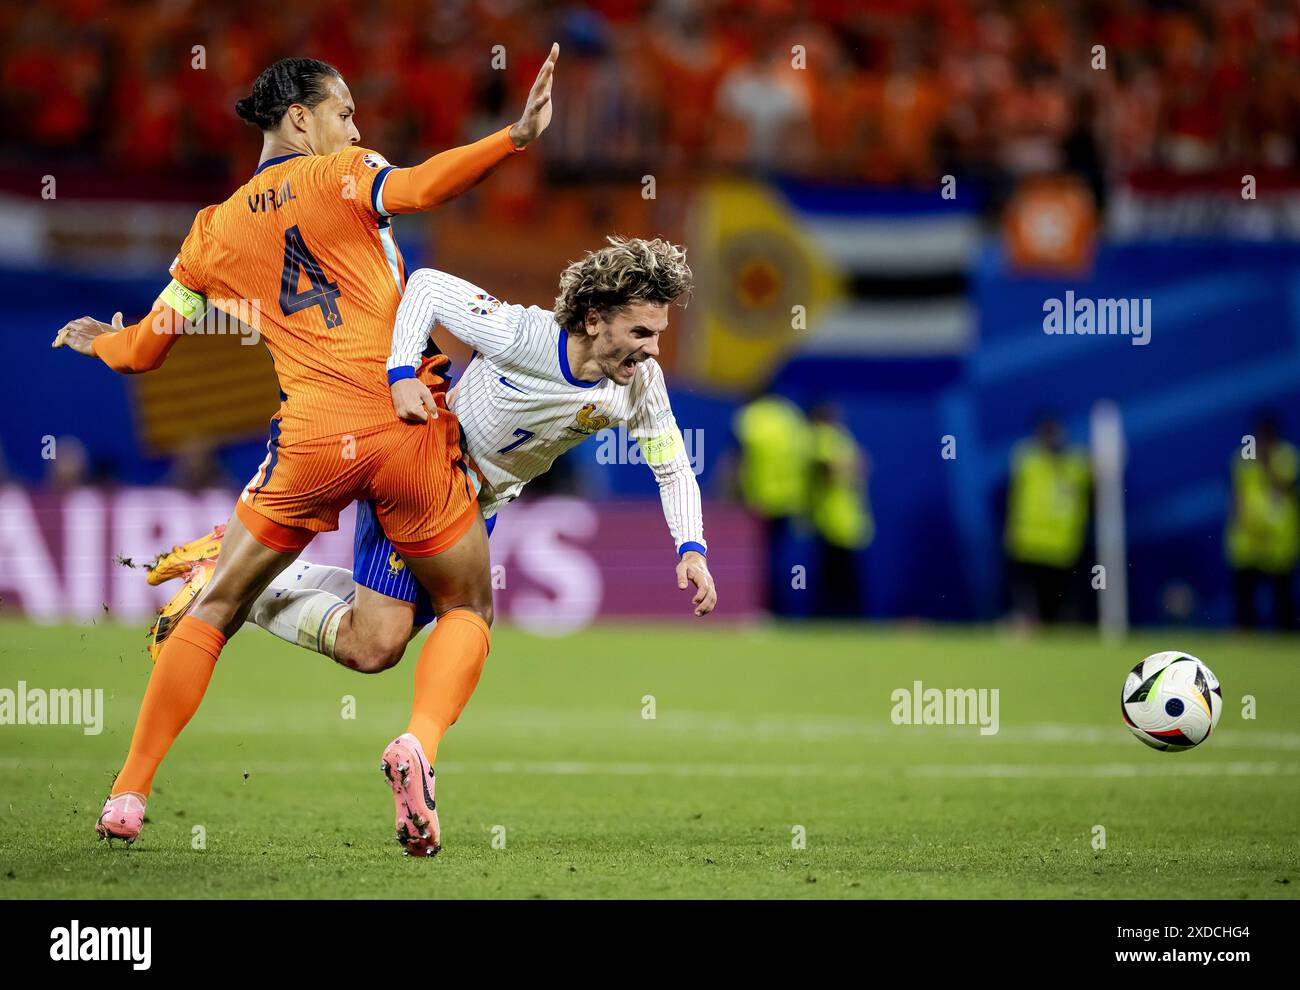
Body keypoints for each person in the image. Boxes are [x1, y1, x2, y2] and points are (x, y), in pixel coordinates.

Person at [51, 49, 560, 855]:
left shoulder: (209, 233)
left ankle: (127, 794)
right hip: (406, 422)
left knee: (325, 631)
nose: (356, 127)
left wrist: (101, 341)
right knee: (465, 607)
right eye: (346, 111)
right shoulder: (346, 173)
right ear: (301, 119)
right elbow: (425, 187)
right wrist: (515, 137)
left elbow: (146, 352)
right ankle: (419, 743)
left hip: (313, 438)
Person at [148, 237, 717, 683]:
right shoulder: (523, 334)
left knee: (381, 633)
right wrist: (399, 374)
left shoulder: (642, 384)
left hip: (479, 502)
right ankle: (234, 585)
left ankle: (230, 574)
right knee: (391, 641)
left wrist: (692, 550)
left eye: (660, 334)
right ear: (594, 319)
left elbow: (671, 465)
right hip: (426, 474)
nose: (652, 349)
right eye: (642, 331)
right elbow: (425, 288)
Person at [1004, 413, 1091, 626]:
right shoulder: (1029, 460)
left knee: (1057, 612)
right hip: (1028, 547)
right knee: (1029, 609)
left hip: (1061, 550)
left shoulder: (1076, 465)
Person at [733, 392, 811, 615]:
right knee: (785, 559)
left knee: (762, 559)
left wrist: (734, 492)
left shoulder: (751, 417)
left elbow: (740, 458)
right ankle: (786, 610)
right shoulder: (790, 415)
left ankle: (763, 609)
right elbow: (805, 455)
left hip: (762, 498)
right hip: (792, 498)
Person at [1227, 413, 1298, 630]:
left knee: (1282, 595)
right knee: (1245, 595)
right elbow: (1238, 493)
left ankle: (1287, 638)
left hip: (1278, 540)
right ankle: (1243, 636)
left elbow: (1287, 486)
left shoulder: (1286, 456)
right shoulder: (1245, 457)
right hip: (1249, 538)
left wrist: (1268, 465)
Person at [807, 404, 872, 618]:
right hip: (848, 516)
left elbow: (824, 468)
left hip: (831, 517)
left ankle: (832, 616)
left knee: (833, 575)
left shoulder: (822, 436)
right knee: (845, 575)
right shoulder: (844, 438)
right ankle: (850, 616)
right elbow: (863, 465)